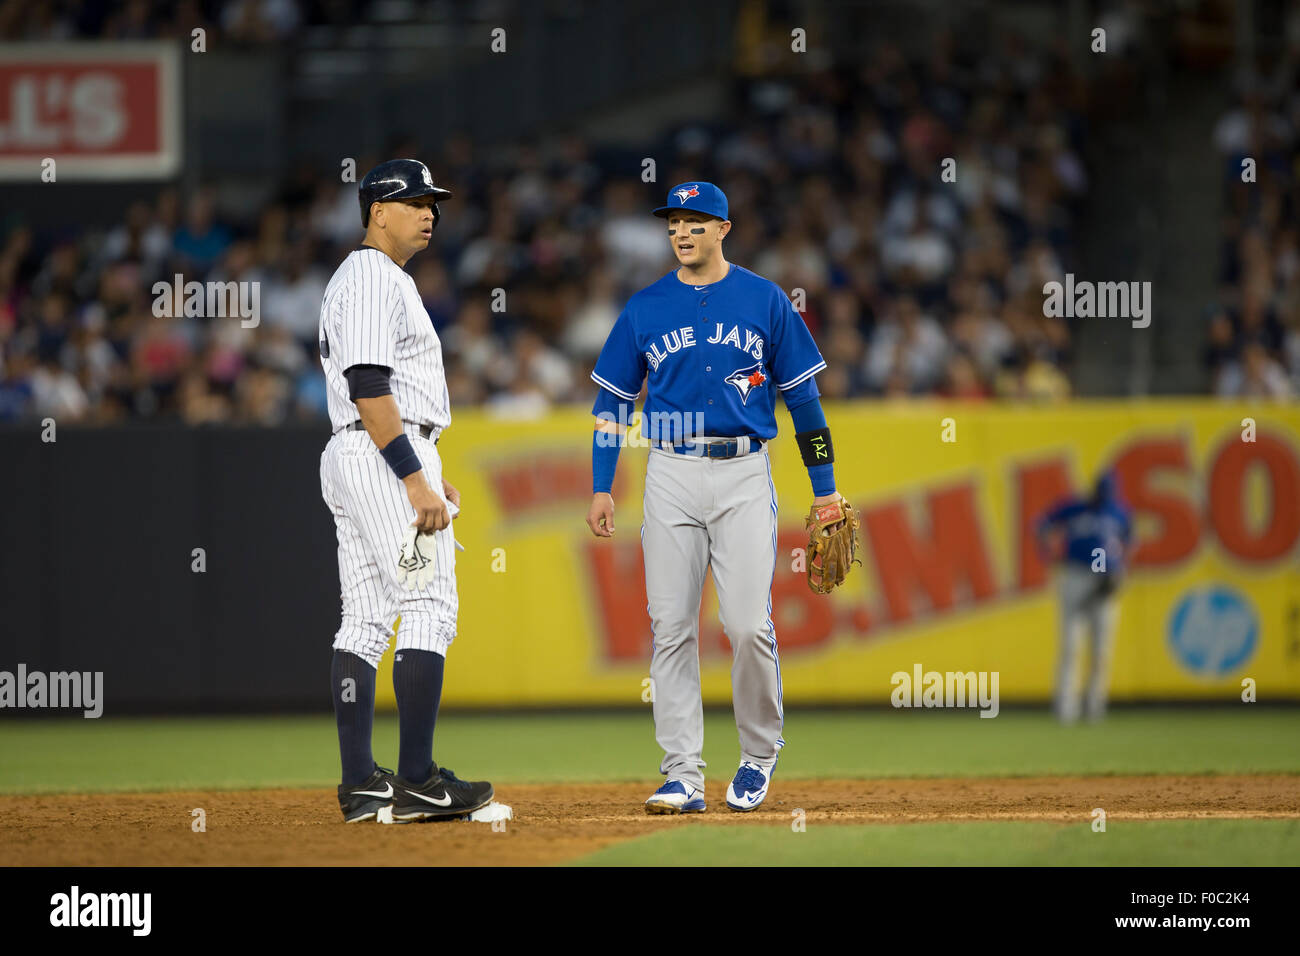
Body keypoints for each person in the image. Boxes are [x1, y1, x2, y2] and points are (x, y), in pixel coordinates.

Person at [585, 182, 843, 813]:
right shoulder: (644, 308)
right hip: (668, 471)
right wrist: (601, 485)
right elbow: (611, 405)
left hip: (744, 471)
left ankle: (758, 755)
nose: (683, 231)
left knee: (747, 625)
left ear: (724, 229)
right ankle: (682, 773)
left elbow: (803, 401)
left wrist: (827, 490)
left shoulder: (765, 299)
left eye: (697, 221)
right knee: (670, 628)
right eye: (676, 221)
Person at [317, 159, 493, 822]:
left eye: (433, 202)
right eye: (414, 200)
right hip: (381, 449)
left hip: (364, 450)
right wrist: (412, 473)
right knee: (430, 606)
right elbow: (369, 384)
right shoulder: (369, 274)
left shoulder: (374, 278)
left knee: (364, 618)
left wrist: (422, 458)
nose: (429, 212)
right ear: (375, 211)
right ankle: (418, 781)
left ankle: (362, 785)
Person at [1036, 472, 1134, 724]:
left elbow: (1129, 542)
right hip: (1076, 575)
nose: (1103, 498)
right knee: (1071, 644)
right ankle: (1066, 708)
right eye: (1101, 494)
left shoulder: (1119, 512)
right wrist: (1048, 553)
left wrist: (1120, 569)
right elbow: (1042, 523)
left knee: (1101, 648)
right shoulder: (1075, 508)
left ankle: (1094, 708)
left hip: (1104, 578)